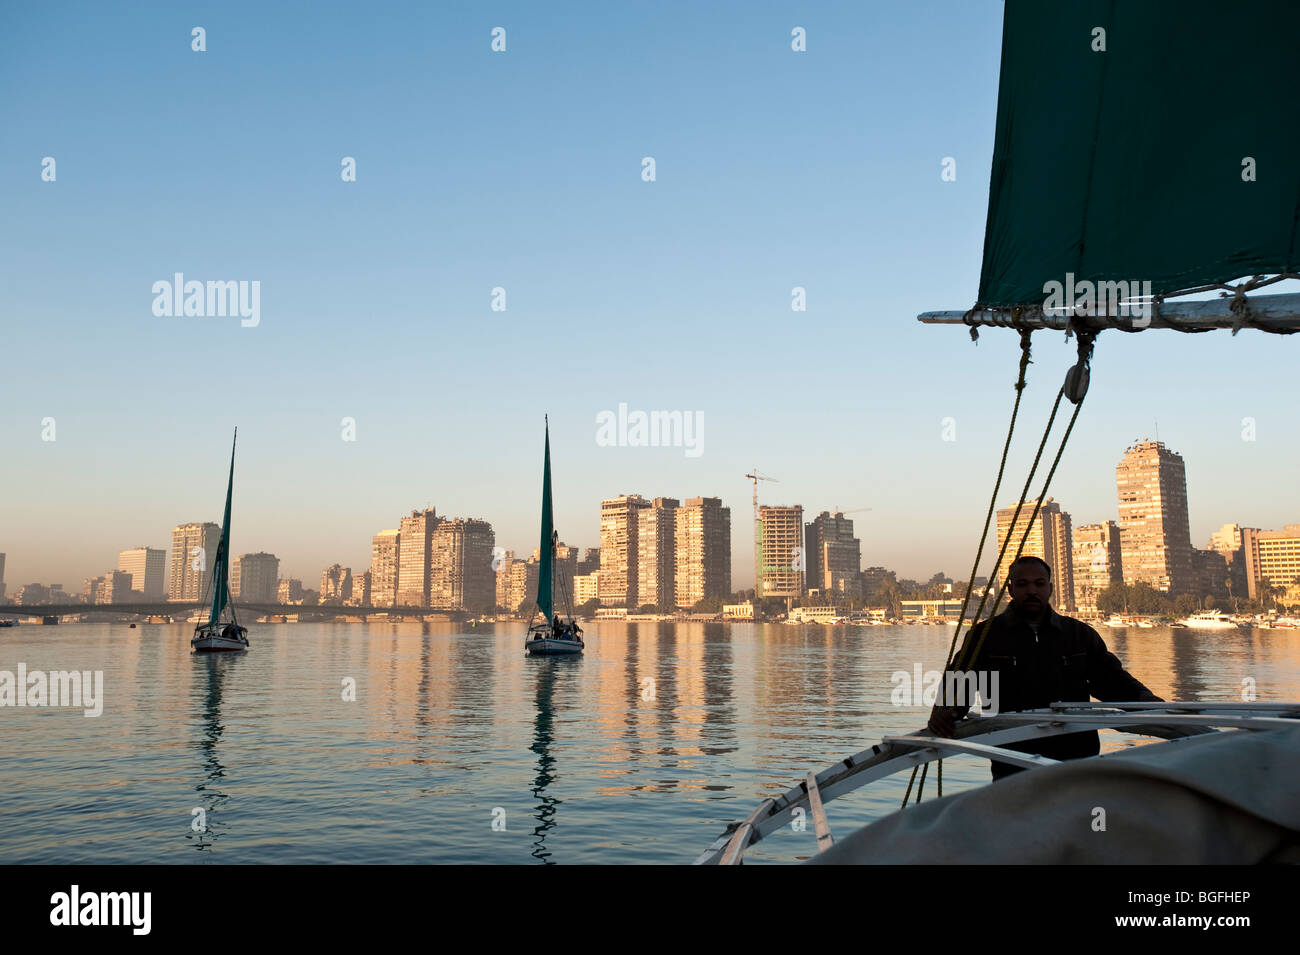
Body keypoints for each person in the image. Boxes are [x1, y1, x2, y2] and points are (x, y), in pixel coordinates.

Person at [927, 554, 1163, 779]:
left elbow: (1112, 680)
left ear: (1050, 588)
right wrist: (944, 712)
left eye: (1039, 584)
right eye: (1023, 584)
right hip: (1012, 763)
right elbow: (960, 683)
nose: (1032, 591)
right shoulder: (985, 636)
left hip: (1076, 761)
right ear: (1010, 589)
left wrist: (1146, 700)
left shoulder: (1079, 635)